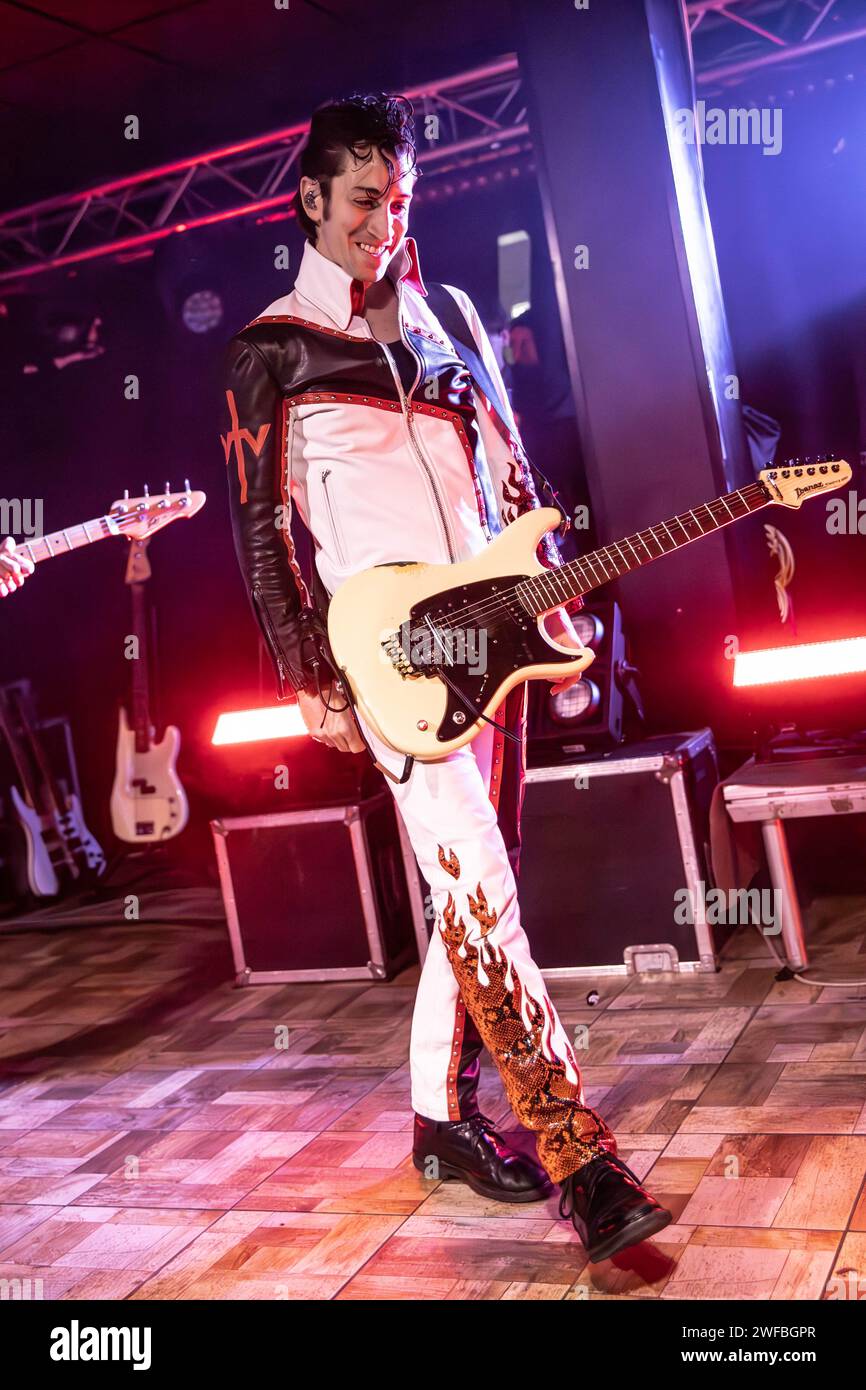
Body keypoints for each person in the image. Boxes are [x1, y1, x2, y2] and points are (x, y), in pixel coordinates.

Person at [221, 92, 671, 1262]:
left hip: (499, 638)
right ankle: (580, 1160)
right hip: (387, 658)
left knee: (472, 887)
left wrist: (555, 596)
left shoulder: (449, 314)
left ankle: (437, 1123)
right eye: (364, 200)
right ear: (312, 199)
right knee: (479, 886)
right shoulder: (270, 344)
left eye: (400, 199)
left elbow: (510, 472)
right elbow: (259, 532)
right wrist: (307, 673)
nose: (385, 222)